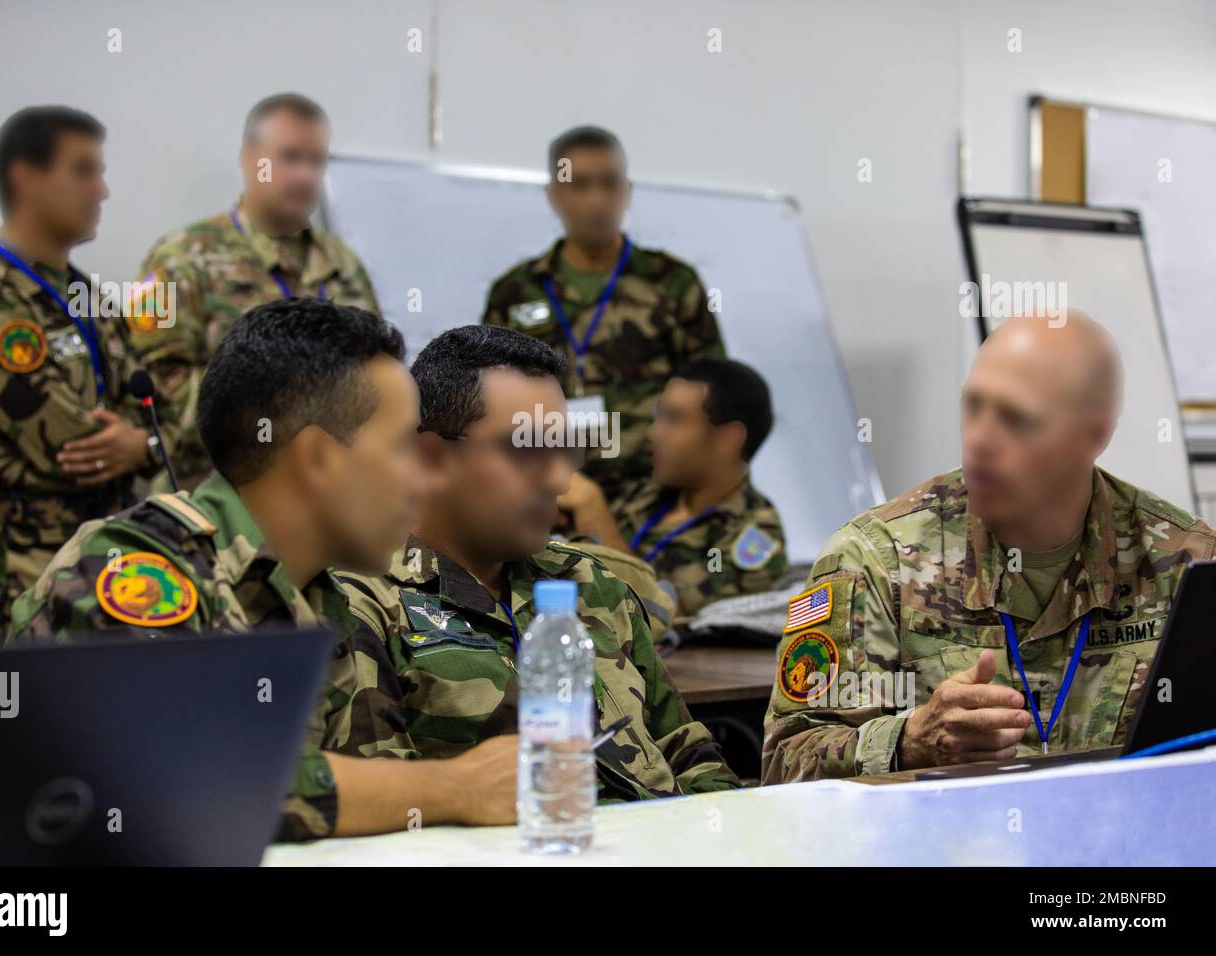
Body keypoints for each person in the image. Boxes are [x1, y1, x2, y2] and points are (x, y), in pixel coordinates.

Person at [9, 299, 517, 840]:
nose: (423, 482)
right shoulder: (134, 569)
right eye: (402, 450)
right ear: (318, 459)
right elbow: (181, 781)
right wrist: (457, 787)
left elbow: (360, 793)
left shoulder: (323, 600)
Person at [762, 309, 1216, 783]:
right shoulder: (876, 558)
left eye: (1016, 419)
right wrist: (910, 743)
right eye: (972, 406)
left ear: (1093, 434)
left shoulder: (1184, 562)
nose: (979, 439)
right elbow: (784, 764)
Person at [334, 324, 740, 799]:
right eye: (527, 450)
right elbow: (391, 819)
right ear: (431, 457)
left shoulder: (590, 582)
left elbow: (689, 754)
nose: (559, 481)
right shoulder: (363, 604)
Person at [0, 106, 167, 646]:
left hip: (112, 561)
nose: (102, 190)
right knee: (35, 729)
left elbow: (155, 408)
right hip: (28, 579)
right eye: (84, 170)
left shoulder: (85, 297)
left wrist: (144, 442)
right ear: (26, 179)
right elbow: (75, 448)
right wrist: (147, 445)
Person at [130, 92, 380, 489]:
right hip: (218, 502)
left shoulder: (342, 262)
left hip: (328, 500)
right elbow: (153, 391)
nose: (304, 176)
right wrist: (281, 405)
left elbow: (375, 371)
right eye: (290, 157)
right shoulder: (182, 258)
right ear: (249, 160)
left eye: (316, 161)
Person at [482, 126, 724, 501]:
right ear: (554, 195)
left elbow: (711, 397)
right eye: (579, 184)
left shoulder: (672, 284)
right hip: (548, 493)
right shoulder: (514, 292)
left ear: (626, 192)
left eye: (609, 183)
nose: (597, 200)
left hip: (655, 494)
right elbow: (493, 406)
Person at [562, 356, 786, 618]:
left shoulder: (753, 536)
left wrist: (592, 509)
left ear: (729, 439)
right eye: (660, 415)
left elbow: (667, 619)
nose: (654, 433)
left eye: (674, 419)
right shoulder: (646, 494)